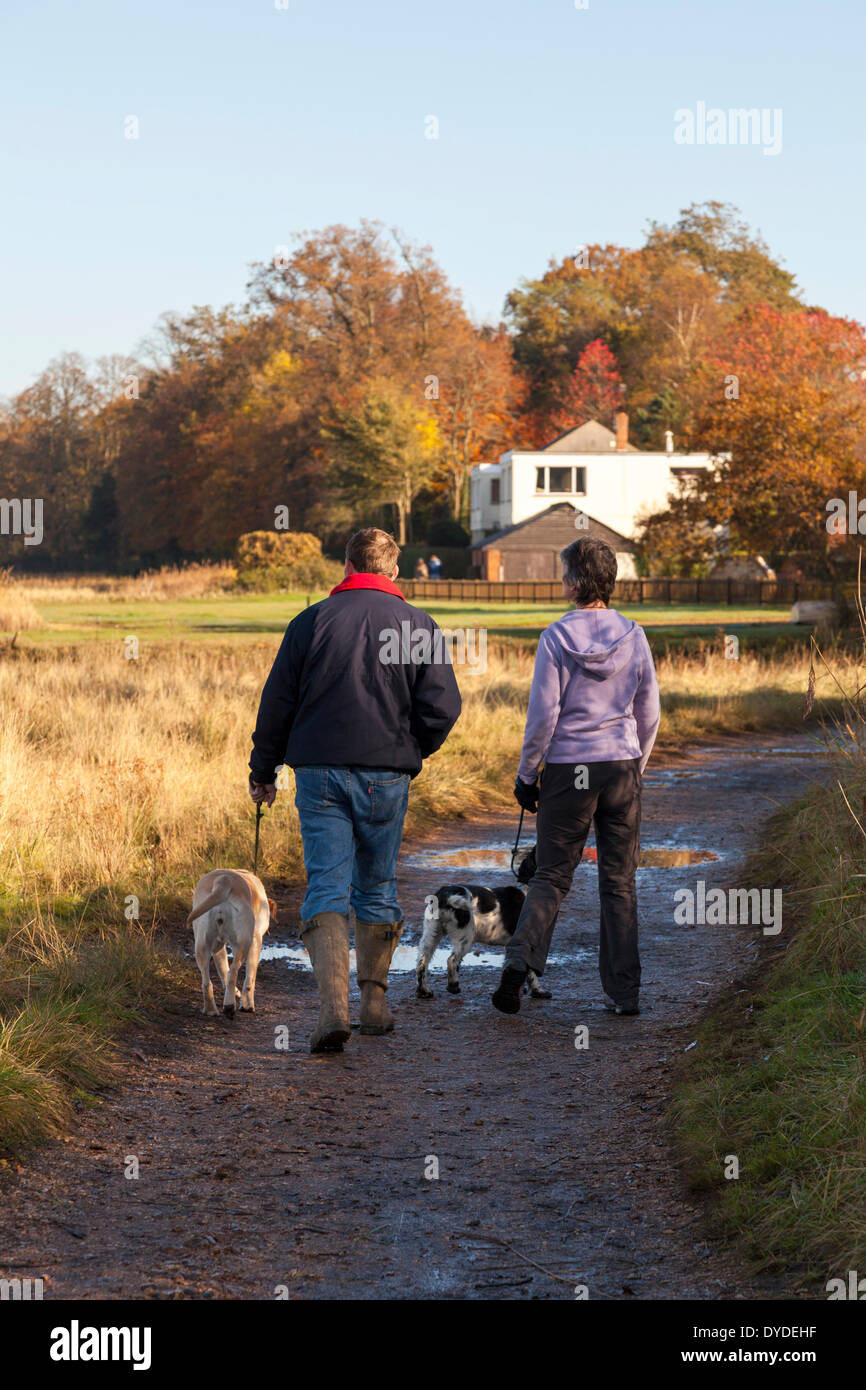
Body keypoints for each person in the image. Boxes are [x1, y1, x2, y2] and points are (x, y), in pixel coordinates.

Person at [249, 528, 461, 1054]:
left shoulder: (310, 622)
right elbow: (444, 707)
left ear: (346, 566)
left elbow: (277, 703)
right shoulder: (417, 625)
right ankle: (374, 1003)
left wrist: (263, 771)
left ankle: (330, 1011)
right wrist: (413, 749)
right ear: (394, 570)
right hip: (387, 773)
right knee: (378, 886)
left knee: (325, 887)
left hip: (318, 772)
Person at [491, 536, 659, 1018]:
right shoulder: (634, 634)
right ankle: (624, 995)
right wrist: (635, 767)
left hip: (571, 770)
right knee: (619, 881)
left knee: (552, 875)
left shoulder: (556, 636)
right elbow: (650, 714)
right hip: (621, 767)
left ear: (574, 583)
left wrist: (527, 776)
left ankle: (518, 966)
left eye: (564, 572)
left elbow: (543, 716)